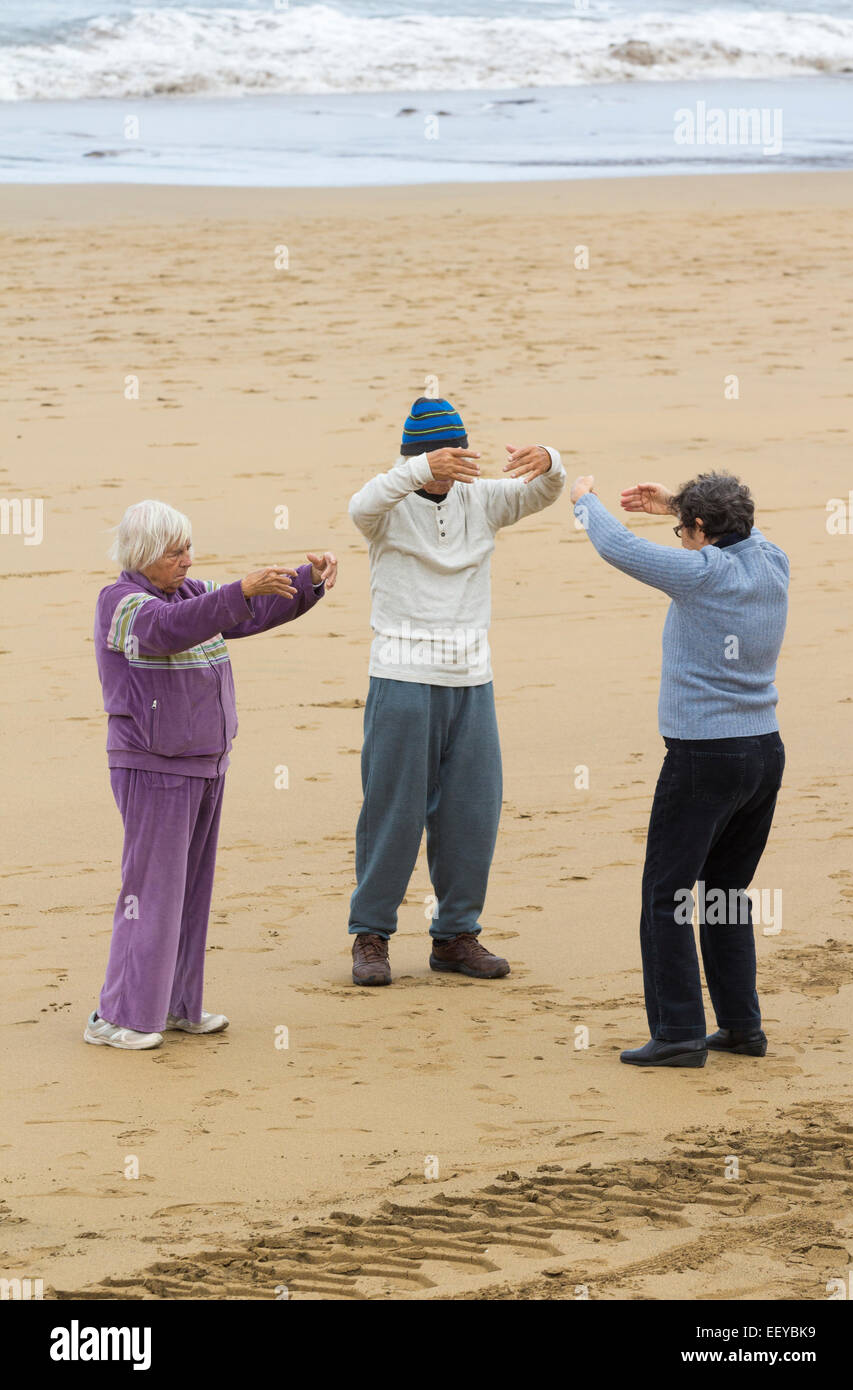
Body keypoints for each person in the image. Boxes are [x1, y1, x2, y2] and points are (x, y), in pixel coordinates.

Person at [86, 499, 337, 1050]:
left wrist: (307, 583)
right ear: (144, 554)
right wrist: (239, 591)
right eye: (174, 551)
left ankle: (176, 1006)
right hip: (152, 766)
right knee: (149, 893)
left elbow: (244, 613)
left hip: (205, 761)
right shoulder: (121, 603)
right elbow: (168, 630)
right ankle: (118, 1016)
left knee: (189, 892)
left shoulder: (194, 595)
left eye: (187, 549)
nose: (186, 559)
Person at [570, 471, 788, 1068]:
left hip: (704, 757)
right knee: (726, 894)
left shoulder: (702, 573)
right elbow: (743, 531)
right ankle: (742, 1028)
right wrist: (681, 508)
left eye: (684, 529)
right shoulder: (773, 560)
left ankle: (679, 1033)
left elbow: (619, 548)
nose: (681, 538)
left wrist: (582, 499)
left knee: (666, 897)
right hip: (764, 753)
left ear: (699, 531)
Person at [347, 396, 565, 986]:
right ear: (417, 457)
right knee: (393, 811)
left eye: (459, 453)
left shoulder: (483, 499)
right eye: (441, 455)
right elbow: (359, 504)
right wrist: (421, 469)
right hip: (402, 676)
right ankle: (370, 937)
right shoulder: (387, 506)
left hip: (471, 679)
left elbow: (542, 493)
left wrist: (550, 461)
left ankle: (456, 936)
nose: (453, 463)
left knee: (472, 812)